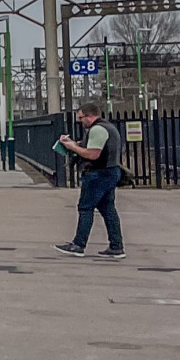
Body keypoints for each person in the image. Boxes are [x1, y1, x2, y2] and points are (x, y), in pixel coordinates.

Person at [55, 102, 125, 258]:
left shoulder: (97, 130)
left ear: (89, 115)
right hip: (110, 171)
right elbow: (90, 146)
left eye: (81, 117)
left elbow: (92, 154)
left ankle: (79, 244)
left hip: (98, 174)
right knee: (108, 209)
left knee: (85, 208)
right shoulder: (108, 127)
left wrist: (73, 148)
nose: (80, 121)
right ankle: (116, 246)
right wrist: (71, 143)